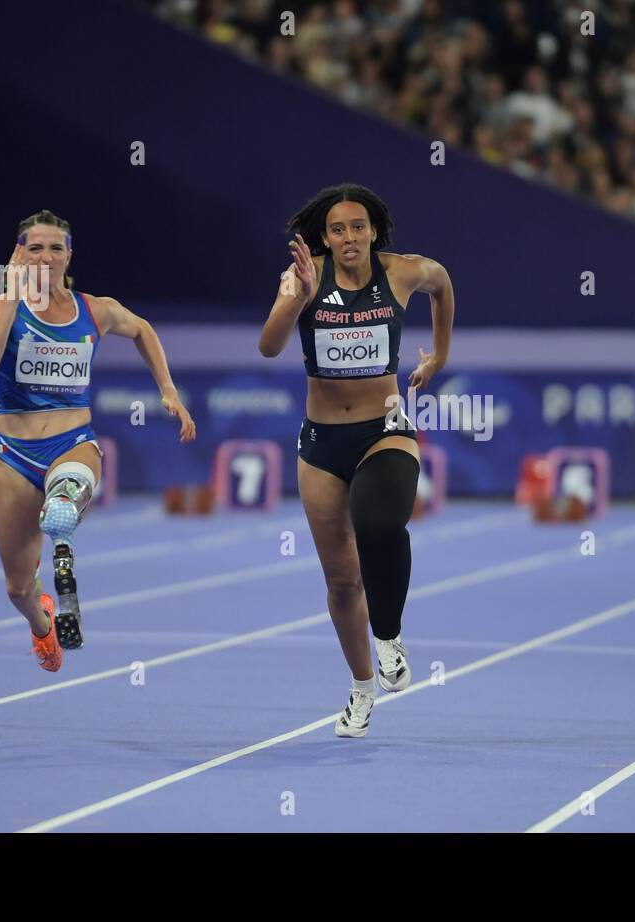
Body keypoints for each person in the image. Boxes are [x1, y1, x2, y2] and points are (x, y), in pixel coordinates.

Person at [259, 184, 454, 738]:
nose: (349, 237)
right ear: (325, 236)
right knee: (343, 582)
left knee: (378, 521)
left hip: (384, 429)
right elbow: (269, 347)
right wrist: (296, 297)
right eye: (338, 229)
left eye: (359, 227)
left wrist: (440, 354)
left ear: (374, 231)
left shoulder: (403, 273)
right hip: (321, 443)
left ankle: (388, 634)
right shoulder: (302, 276)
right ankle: (362, 687)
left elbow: (443, 285)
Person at [0, 209, 196, 671]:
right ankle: (41, 622)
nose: (46, 256)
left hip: (72, 442)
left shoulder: (95, 309)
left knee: (64, 499)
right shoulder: (2, 308)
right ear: (19, 255)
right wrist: (12, 297)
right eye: (35, 247)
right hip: (13, 455)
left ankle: (65, 507)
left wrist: (167, 389)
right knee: (17, 586)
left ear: (69, 255)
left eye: (56, 248)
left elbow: (143, 330)